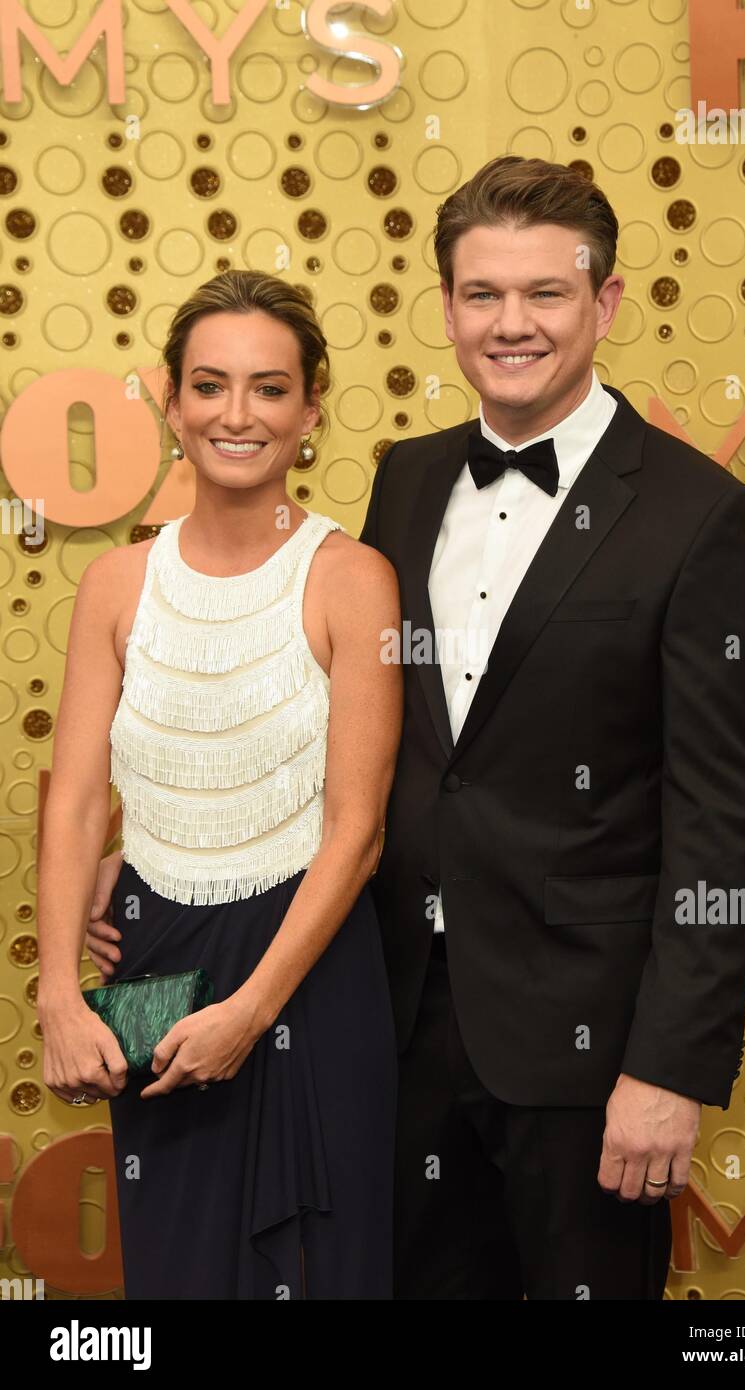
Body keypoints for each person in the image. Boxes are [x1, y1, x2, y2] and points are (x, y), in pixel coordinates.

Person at [86, 156, 745, 1300]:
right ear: (448, 308)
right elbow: (342, 727)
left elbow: (721, 822)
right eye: (481, 295)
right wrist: (163, 846)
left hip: (585, 1055)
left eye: (545, 294)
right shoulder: (405, 482)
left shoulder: (706, 520)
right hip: (382, 1018)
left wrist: (670, 1069)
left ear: (603, 304)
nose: (512, 325)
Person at [37, 270, 402, 1300]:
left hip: (311, 963)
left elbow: (359, 830)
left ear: (311, 409)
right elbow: (73, 797)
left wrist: (254, 1007)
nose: (236, 414)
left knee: (325, 1267)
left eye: (270, 388)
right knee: (178, 1265)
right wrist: (60, 988)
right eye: (210, 385)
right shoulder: (117, 580)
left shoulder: (351, 576)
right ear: (170, 399)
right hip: (153, 962)